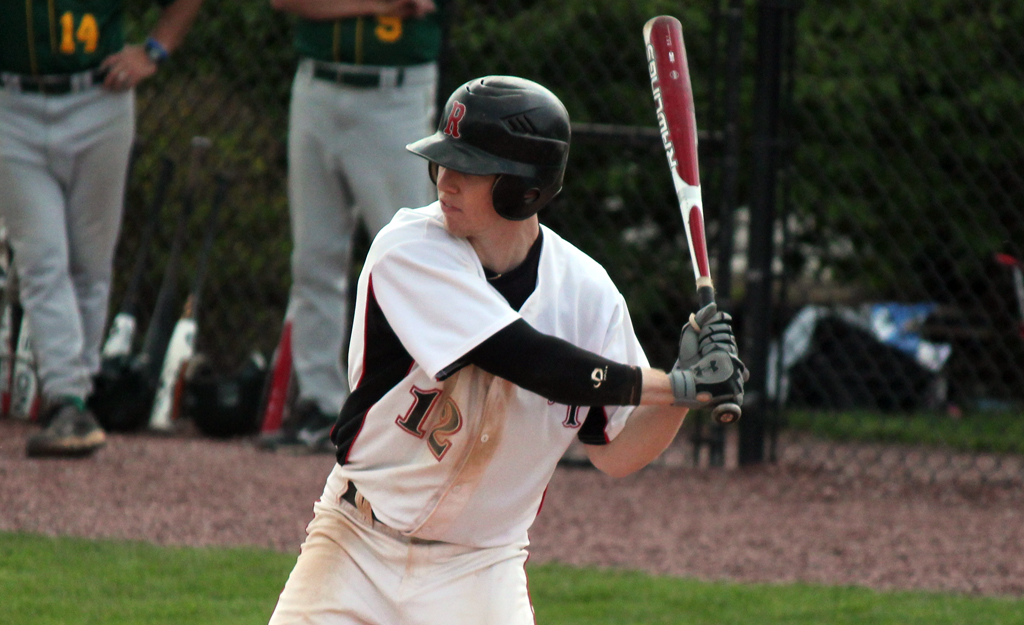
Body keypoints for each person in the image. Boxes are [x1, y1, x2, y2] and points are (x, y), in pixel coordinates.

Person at [266, 76, 746, 624]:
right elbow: (529, 359)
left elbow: (617, 454)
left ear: (525, 187)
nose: (445, 181)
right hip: (356, 544)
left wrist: (682, 396)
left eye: (467, 169)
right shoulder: (409, 249)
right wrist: (674, 382)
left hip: (480, 572)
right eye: (442, 163)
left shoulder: (588, 296)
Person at [0, 0, 205, 458]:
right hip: (11, 108)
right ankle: (66, 397)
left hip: (99, 100)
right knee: (41, 258)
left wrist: (153, 51)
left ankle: (74, 398)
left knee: (90, 261)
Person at [263, 0, 443, 452]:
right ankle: (320, 405)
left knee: (406, 261)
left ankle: (408, 405)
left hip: (395, 96)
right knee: (313, 259)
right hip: (316, 87)